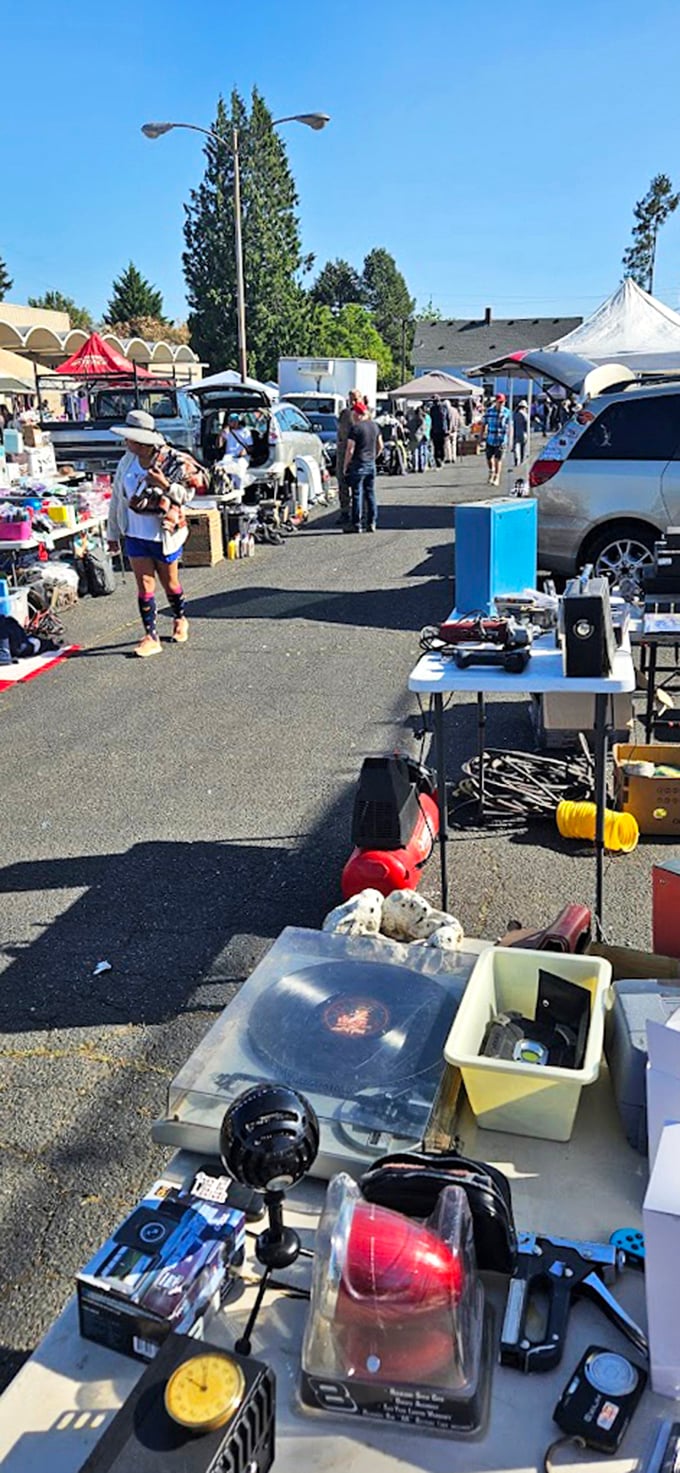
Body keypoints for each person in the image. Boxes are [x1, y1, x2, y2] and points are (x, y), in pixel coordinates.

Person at [107, 409, 208, 658]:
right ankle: (150, 636)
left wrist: (165, 485)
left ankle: (180, 617)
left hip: (164, 534)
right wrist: (112, 533)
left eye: (129, 438)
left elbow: (186, 497)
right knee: (144, 585)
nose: (125, 442)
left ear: (142, 441)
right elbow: (117, 499)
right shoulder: (126, 461)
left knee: (170, 583)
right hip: (135, 532)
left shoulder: (172, 461)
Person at [343, 399, 383, 533]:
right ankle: (371, 522)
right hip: (370, 464)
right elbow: (380, 446)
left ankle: (356, 524)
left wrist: (345, 465)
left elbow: (350, 449)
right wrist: (374, 456)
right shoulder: (374, 426)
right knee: (370, 493)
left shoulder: (355, 428)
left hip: (358, 464)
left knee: (356, 494)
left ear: (357, 415)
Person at [335, 388, 360, 526]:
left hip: (357, 453)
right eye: (351, 399)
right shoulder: (345, 413)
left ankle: (359, 513)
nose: (353, 401)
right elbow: (340, 431)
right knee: (342, 482)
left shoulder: (363, 413)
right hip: (343, 451)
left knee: (357, 485)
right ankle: (345, 511)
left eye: (356, 399)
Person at [483, 392, 510, 486]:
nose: (501, 404)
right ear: (496, 402)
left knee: (498, 459)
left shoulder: (507, 412)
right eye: (499, 402)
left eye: (502, 402)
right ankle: (491, 471)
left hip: (501, 439)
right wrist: (481, 436)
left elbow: (511, 426)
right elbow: (484, 424)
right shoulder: (489, 411)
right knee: (488, 457)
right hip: (490, 438)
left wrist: (510, 438)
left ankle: (497, 476)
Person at [430, 398, 447, 467]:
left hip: (435, 430)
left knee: (437, 446)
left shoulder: (433, 409)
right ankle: (441, 459)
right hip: (440, 430)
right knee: (441, 446)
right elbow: (445, 419)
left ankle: (438, 459)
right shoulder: (442, 408)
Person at [513, 400, 529, 466]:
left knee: (516, 446)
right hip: (523, 433)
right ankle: (522, 460)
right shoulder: (524, 414)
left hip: (516, 432)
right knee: (523, 447)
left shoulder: (515, 414)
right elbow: (527, 423)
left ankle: (516, 458)